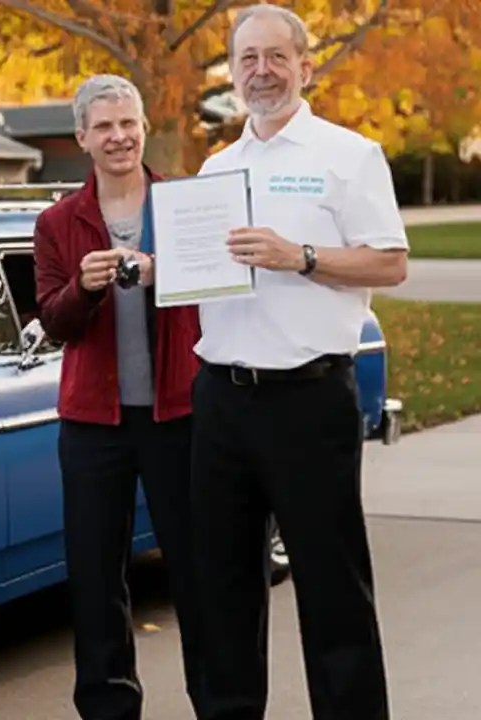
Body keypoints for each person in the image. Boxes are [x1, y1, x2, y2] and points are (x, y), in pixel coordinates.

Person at [189, 5, 408, 720]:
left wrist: (301, 257)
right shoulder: (215, 168)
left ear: (305, 65)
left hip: (308, 403)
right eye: (246, 57)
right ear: (233, 70)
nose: (260, 71)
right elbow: (199, 273)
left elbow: (391, 263)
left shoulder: (349, 155)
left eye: (275, 56)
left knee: (331, 586)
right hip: (221, 400)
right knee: (223, 590)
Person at [33, 74, 208, 720]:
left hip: (177, 415)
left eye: (127, 123)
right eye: (103, 126)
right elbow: (54, 320)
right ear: (82, 137)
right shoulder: (57, 223)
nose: (119, 137)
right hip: (92, 425)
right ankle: (108, 708)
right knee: (96, 576)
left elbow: (218, 294)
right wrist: (83, 286)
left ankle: (218, 702)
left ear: (142, 126)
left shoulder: (183, 206)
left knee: (195, 570)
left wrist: (170, 274)